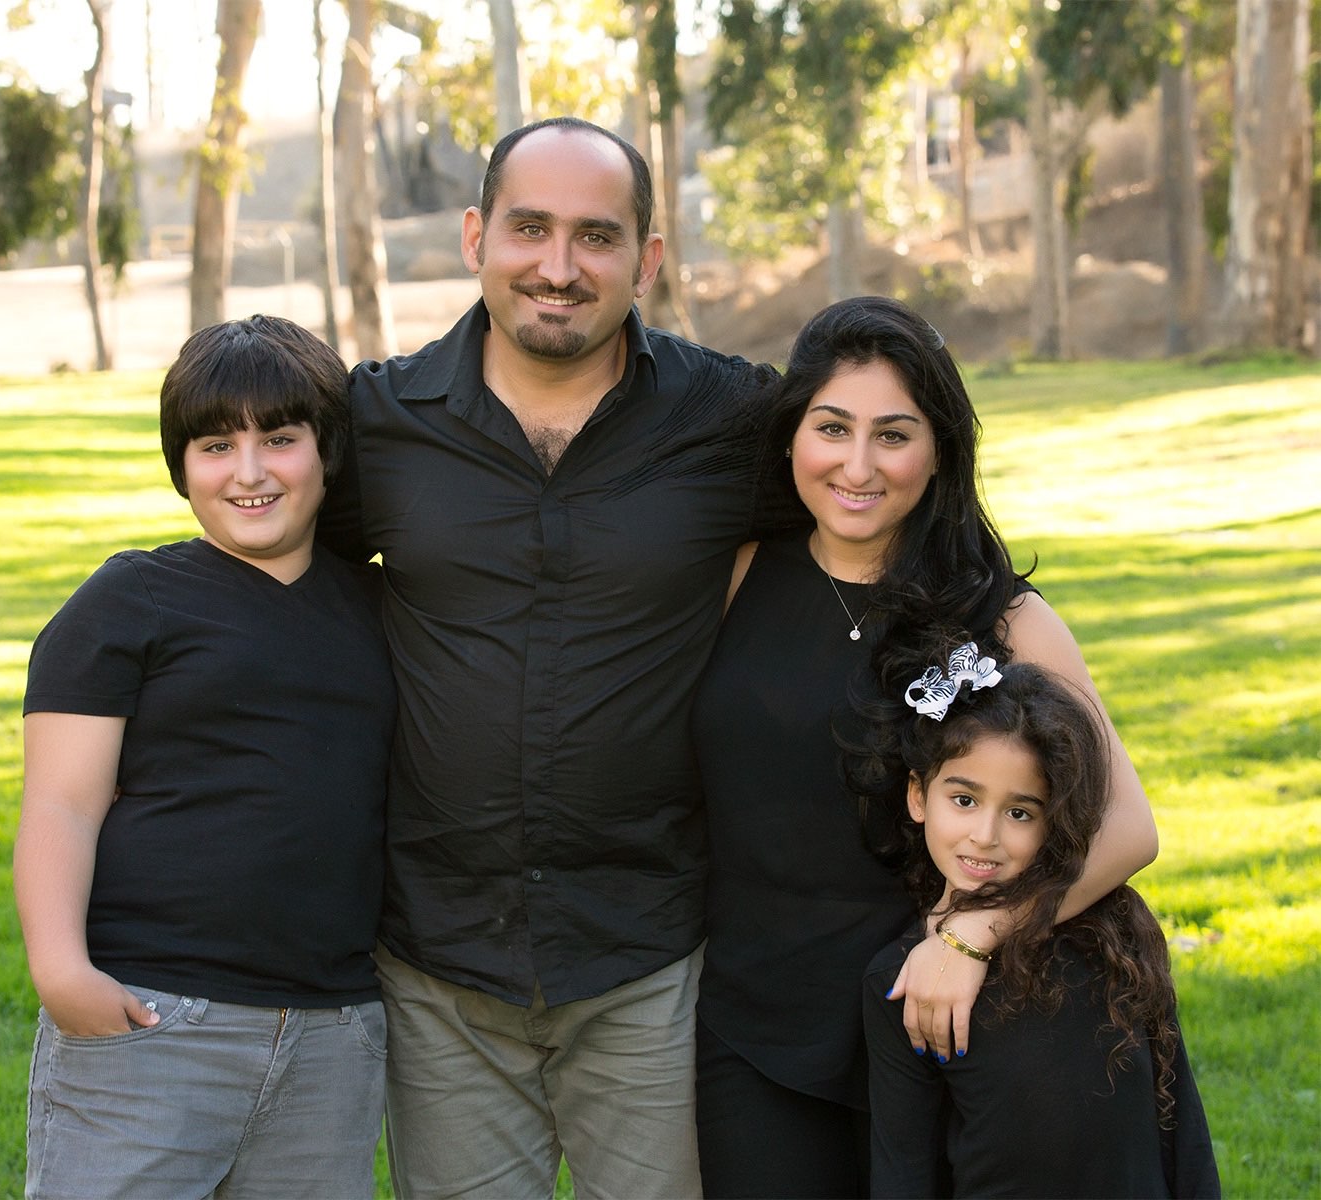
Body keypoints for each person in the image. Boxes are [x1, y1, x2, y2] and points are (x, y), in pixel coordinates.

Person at [315, 116, 783, 1198]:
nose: (559, 269)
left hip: (653, 955)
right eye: (529, 229)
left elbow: (878, 526)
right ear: (477, 235)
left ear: (647, 259)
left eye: (596, 237)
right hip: (440, 966)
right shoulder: (376, 421)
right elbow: (282, 590)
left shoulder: (734, 418)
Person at [690, 295, 1159, 1197]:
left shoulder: (1007, 618)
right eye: (831, 428)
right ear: (793, 435)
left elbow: (1128, 827)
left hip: (951, 1019)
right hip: (758, 1033)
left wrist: (976, 937)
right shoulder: (733, 576)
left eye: (893, 435)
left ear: (939, 447)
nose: (857, 465)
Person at [14, 315, 395, 1199]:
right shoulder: (129, 601)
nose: (250, 472)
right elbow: (63, 802)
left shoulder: (382, 609)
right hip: (154, 1013)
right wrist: (62, 971)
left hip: (333, 1030)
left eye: (281, 439)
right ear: (181, 464)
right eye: (216, 445)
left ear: (327, 452)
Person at [863, 653, 1220, 1198]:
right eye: (964, 799)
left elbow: (1181, 1131)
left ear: (1055, 819)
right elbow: (903, 1170)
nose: (985, 834)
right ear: (918, 796)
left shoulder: (1113, 938)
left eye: (1020, 813)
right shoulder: (902, 980)